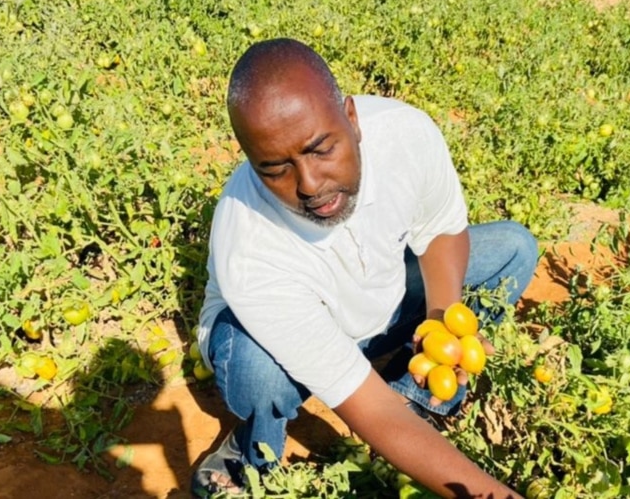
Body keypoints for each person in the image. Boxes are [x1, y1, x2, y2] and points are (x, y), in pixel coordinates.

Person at [192, 38, 537, 498]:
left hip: (380, 297)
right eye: (275, 170)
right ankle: (254, 454)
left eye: (320, 149)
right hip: (280, 332)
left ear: (352, 120)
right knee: (260, 375)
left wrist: (443, 322)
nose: (310, 184)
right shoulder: (249, 247)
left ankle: (413, 396)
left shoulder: (404, 134)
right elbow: (370, 410)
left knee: (514, 248)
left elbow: (439, 230)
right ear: (253, 166)